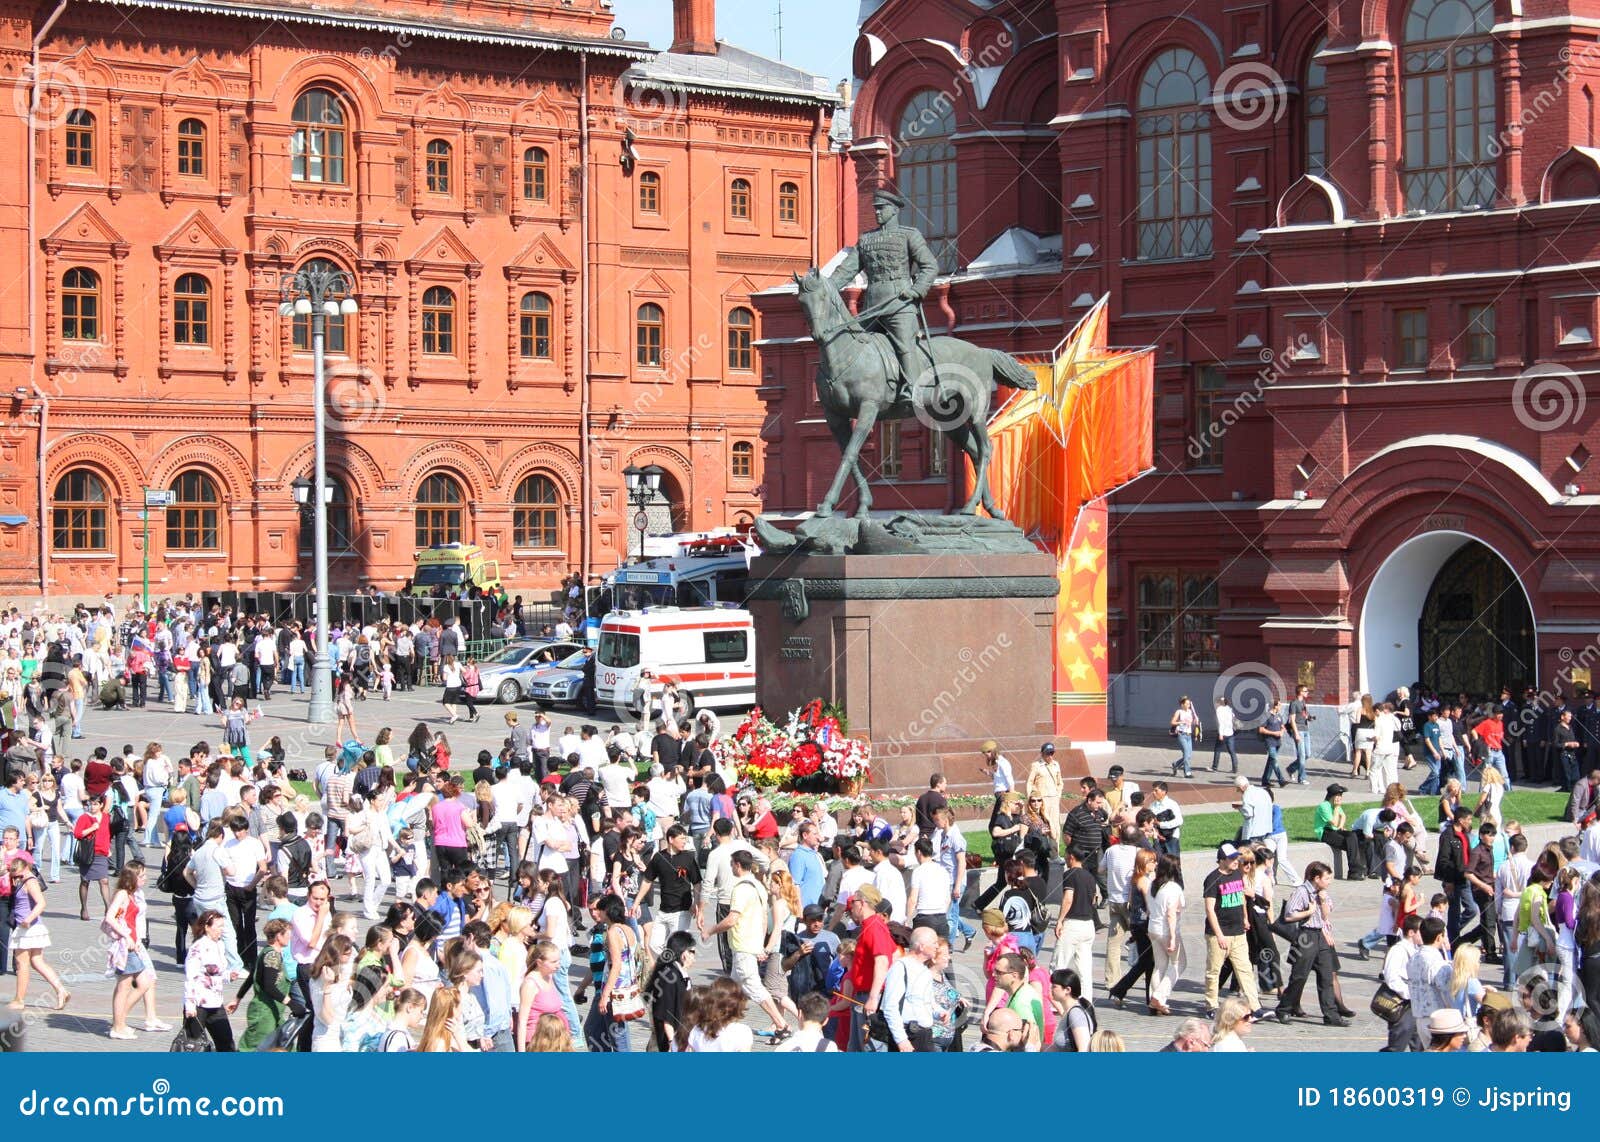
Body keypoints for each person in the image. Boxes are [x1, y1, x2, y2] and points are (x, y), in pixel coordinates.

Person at [825, 186, 938, 406]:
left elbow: (930, 266)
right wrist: (825, 289)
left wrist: (916, 290)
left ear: (894, 210)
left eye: (882, 208)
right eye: (875, 208)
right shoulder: (866, 240)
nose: (877, 212)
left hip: (899, 304)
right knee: (854, 343)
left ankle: (912, 388)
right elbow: (846, 271)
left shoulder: (909, 235)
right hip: (872, 307)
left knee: (904, 344)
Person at [1274, 862, 1349, 1026]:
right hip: (1306, 935)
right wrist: (1308, 912)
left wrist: (1323, 900)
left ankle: (1331, 1015)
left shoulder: (1323, 893)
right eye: (1327, 878)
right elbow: (1288, 915)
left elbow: (1326, 915)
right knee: (1299, 976)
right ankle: (1284, 1009)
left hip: (1320, 934)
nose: (1329, 881)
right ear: (1316, 878)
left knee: (1326, 976)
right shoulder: (1301, 891)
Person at [1202, 843, 1260, 1019]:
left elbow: (1241, 896)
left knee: (1245, 970)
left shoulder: (1237, 874)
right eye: (1232, 858)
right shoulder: (1212, 879)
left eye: (1237, 858)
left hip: (1238, 932)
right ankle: (1211, 1006)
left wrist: (1244, 918)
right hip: (1219, 934)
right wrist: (1219, 935)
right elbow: (1210, 909)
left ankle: (1255, 1007)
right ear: (1221, 860)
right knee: (1214, 971)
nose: (1236, 861)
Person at [3, 855, 69, 1011]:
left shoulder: (30, 881)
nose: (16, 878)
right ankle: (61, 990)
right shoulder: (23, 879)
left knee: (22, 963)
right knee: (37, 961)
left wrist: (28, 919)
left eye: (18, 875)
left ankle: (19, 999)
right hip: (30, 927)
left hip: (28, 928)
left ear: (26, 868)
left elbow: (41, 903)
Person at [183, 910, 242, 1051]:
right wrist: (190, 1004)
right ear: (207, 927)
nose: (222, 929)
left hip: (215, 1002)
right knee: (193, 1045)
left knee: (226, 1043)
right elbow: (191, 977)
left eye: (223, 926)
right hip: (198, 1003)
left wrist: (228, 976)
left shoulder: (219, 944)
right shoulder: (198, 947)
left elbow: (217, 971)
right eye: (219, 926)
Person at [1313, 784, 1365, 880]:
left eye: (1341, 795)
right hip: (1325, 832)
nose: (1340, 797)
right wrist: (1337, 808)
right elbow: (1334, 822)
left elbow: (1343, 816)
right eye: (1339, 795)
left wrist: (1341, 826)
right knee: (1352, 844)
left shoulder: (1335, 805)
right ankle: (1355, 872)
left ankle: (1355, 871)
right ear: (1333, 796)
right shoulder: (1324, 806)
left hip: (1335, 830)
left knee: (1352, 835)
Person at [1047, 967, 1095, 1052]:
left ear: (1067, 990)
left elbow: (1084, 1049)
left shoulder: (1076, 1013)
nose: (1051, 989)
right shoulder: (1069, 1011)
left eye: (1054, 986)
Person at [1170, 696, 1199, 777]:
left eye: (1189, 704)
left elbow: (1192, 722)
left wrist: (1195, 721)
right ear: (1182, 704)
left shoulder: (1190, 712)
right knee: (1186, 754)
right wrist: (1181, 722)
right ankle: (1187, 772)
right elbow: (1172, 722)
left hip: (1189, 735)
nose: (1189, 705)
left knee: (1188, 756)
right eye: (1187, 703)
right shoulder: (1179, 712)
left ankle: (1176, 764)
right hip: (1181, 735)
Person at [1211, 695, 1238, 773]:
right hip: (1230, 732)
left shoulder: (1219, 710)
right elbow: (1233, 718)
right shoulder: (1229, 709)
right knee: (1232, 751)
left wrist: (1220, 734)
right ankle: (1235, 768)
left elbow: (1221, 722)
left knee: (1217, 750)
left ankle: (1215, 767)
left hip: (1223, 733)